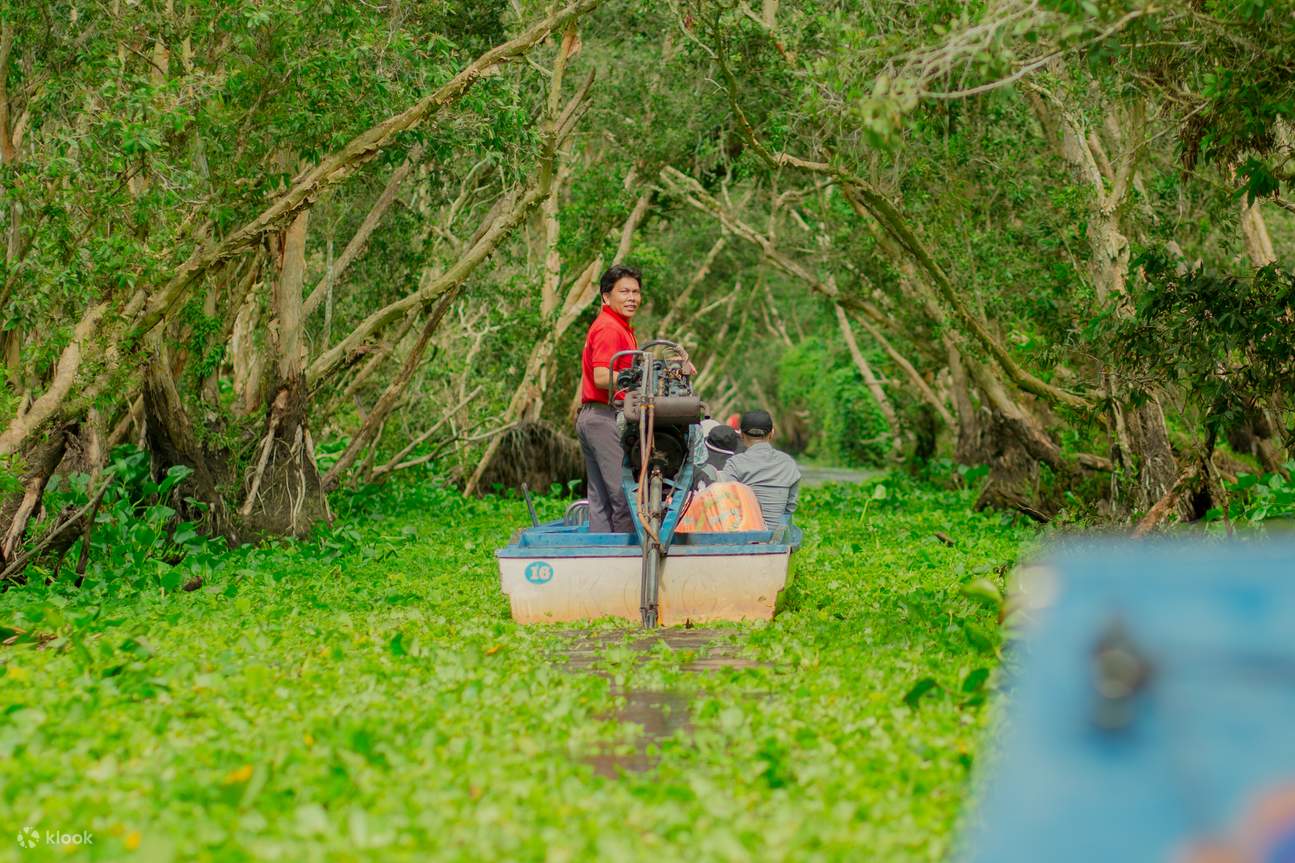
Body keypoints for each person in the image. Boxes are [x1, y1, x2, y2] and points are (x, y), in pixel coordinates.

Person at [576, 264, 641, 532]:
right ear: (606, 296)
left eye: (636, 292)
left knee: (600, 500)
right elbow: (603, 377)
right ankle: (625, 560)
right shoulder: (609, 328)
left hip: (594, 416)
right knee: (623, 496)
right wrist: (640, 377)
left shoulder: (621, 327)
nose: (631, 298)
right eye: (624, 291)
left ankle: (601, 558)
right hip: (603, 417)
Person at [719, 409, 801, 527]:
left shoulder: (734, 464)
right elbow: (789, 508)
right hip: (777, 539)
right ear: (772, 433)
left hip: (744, 537)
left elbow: (726, 504)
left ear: (741, 435)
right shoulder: (788, 463)